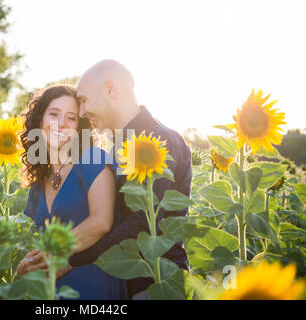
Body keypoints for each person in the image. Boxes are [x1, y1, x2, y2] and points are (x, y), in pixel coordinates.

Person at [22, 60, 192, 299]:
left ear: (110, 90)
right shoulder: (117, 148)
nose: (82, 113)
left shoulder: (160, 141)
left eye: (83, 101)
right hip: (127, 283)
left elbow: (144, 223)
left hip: (157, 281)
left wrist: (71, 260)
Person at [17, 84, 128, 300]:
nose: (61, 124)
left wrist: (52, 255)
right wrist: (27, 266)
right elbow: (42, 241)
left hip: (94, 285)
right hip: (52, 291)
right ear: (40, 120)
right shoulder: (39, 182)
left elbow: (101, 222)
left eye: (71, 117)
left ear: (80, 126)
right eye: (54, 114)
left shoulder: (92, 159)